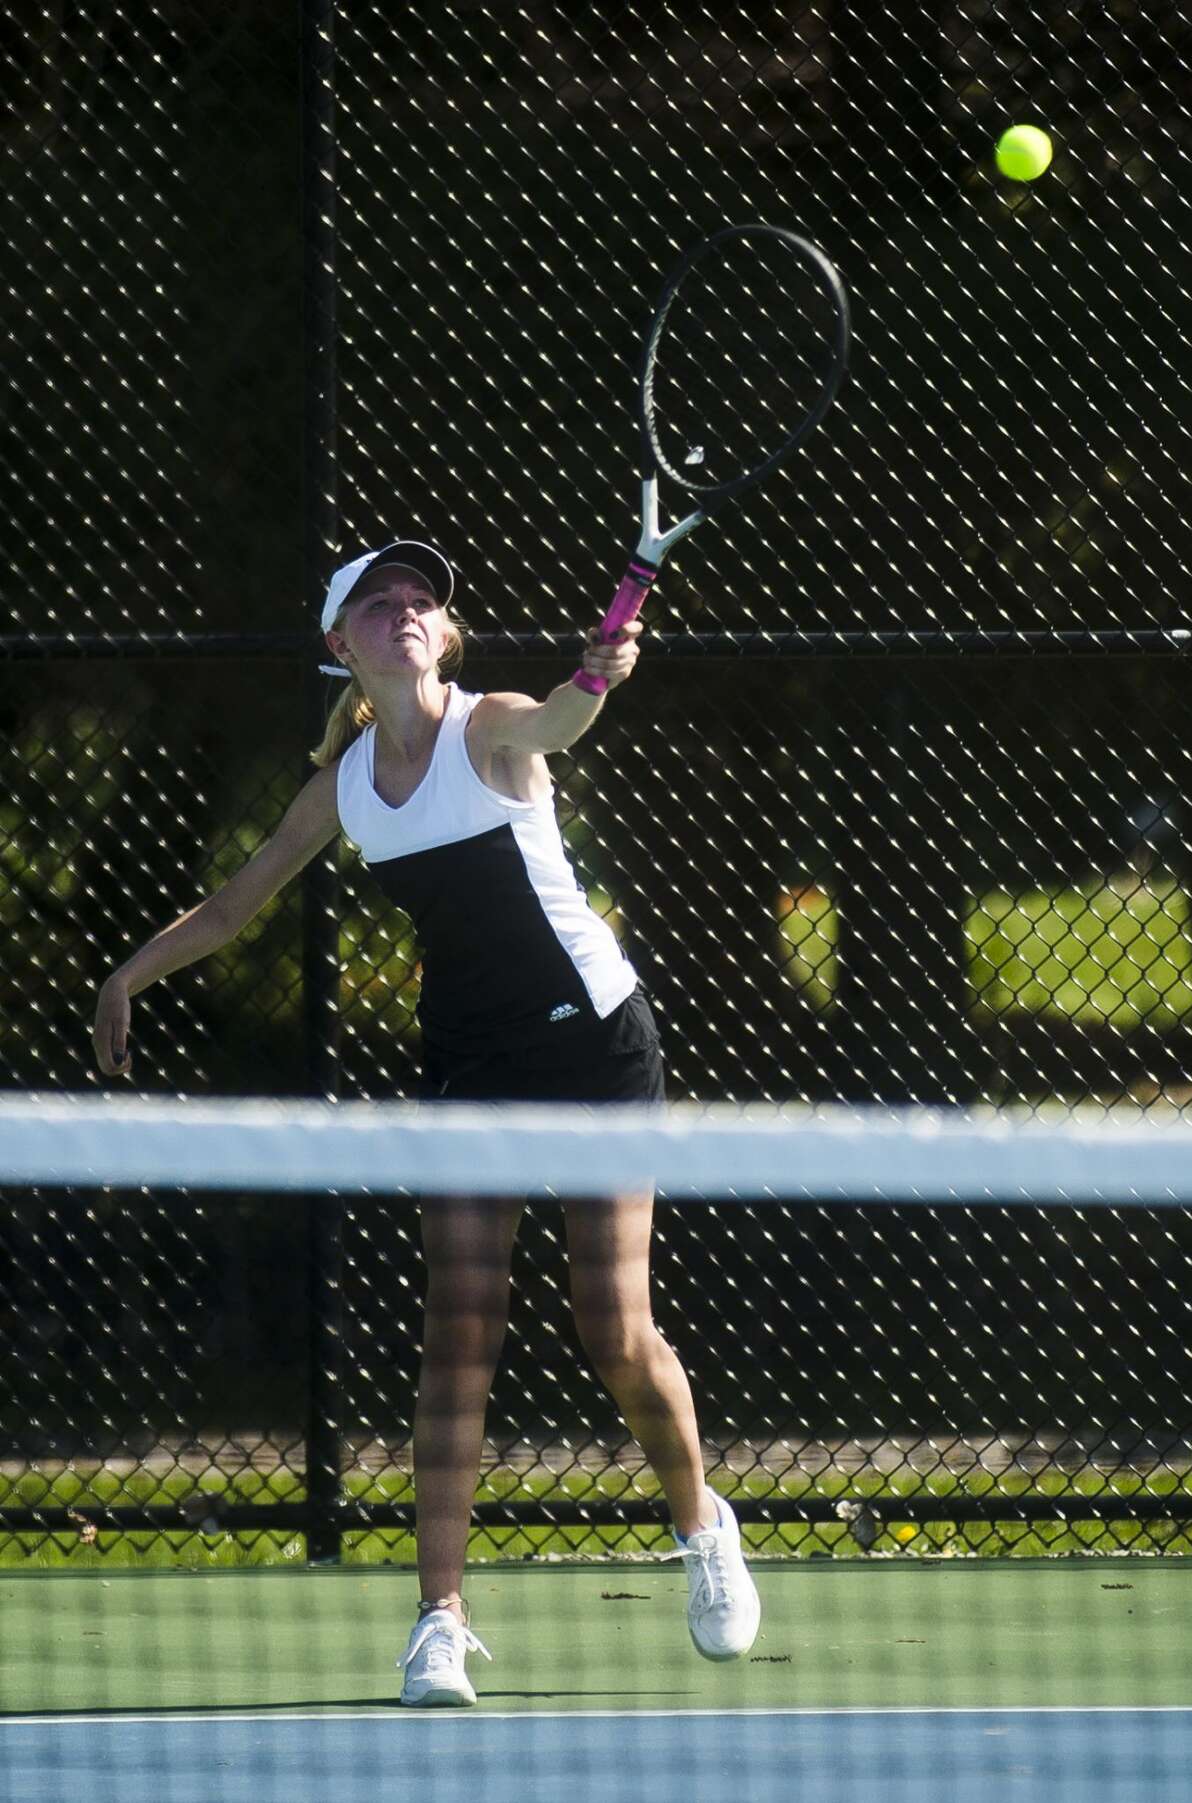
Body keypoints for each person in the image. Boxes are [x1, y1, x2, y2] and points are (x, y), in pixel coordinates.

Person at [92, 538, 761, 1706]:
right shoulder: (344, 786)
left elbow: (560, 722)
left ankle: (703, 1526)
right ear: (339, 643)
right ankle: (439, 1620)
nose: (405, 610)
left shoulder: (490, 727)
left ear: (445, 637)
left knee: (613, 1328)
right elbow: (237, 904)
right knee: (458, 1334)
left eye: (421, 601)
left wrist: (597, 672)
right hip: (470, 1067)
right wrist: (127, 976)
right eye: (378, 601)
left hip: (596, 1049)